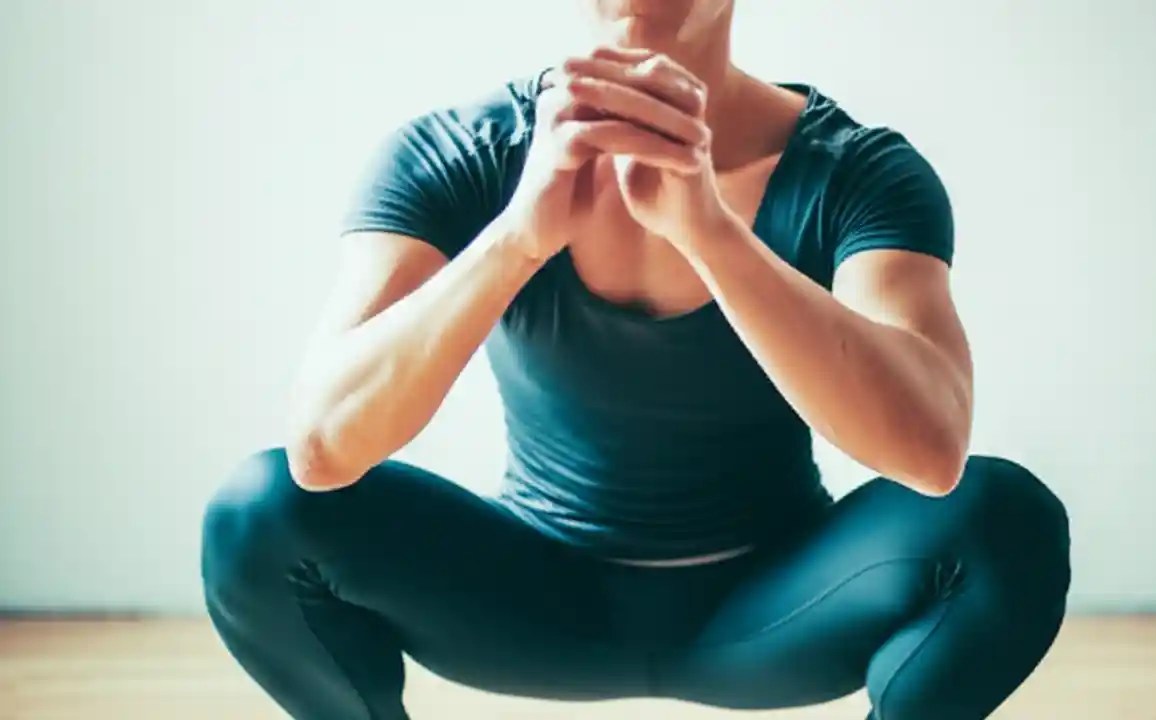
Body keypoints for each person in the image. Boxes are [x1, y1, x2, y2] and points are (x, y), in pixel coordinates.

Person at [201, 2, 1071, 718]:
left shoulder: (856, 170)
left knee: (1004, 521)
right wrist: (519, 236)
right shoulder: (461, 153)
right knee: (258, 514)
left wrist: (710, 234)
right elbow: (321, 448)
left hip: (778, 606)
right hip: (532, 604)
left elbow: (932, 450)